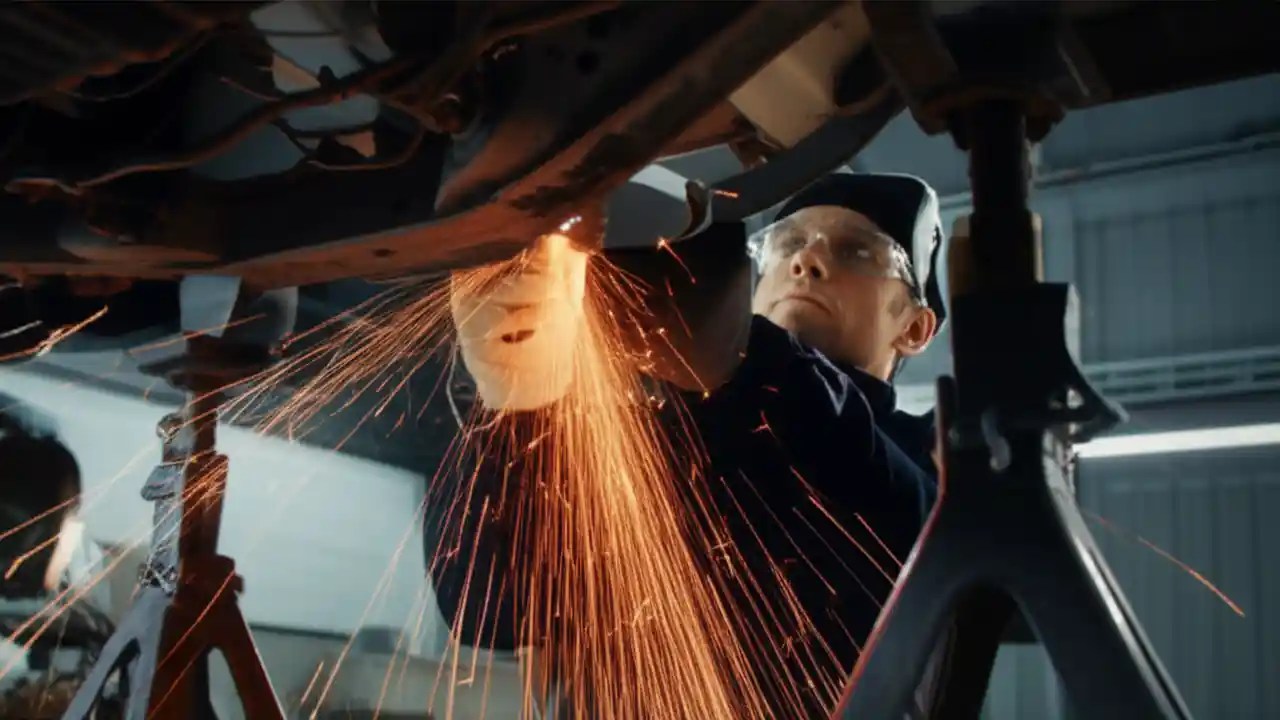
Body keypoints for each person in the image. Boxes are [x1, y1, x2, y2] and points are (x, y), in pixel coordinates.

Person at [427, 172, 946, 718]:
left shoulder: (924, 476)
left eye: (858, 251)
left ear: (914, 328)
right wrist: (515, 405)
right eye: (787, 243)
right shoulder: (633, 442)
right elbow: (484, 609)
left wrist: (738, 354)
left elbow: (843, 470)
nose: (806, 261)